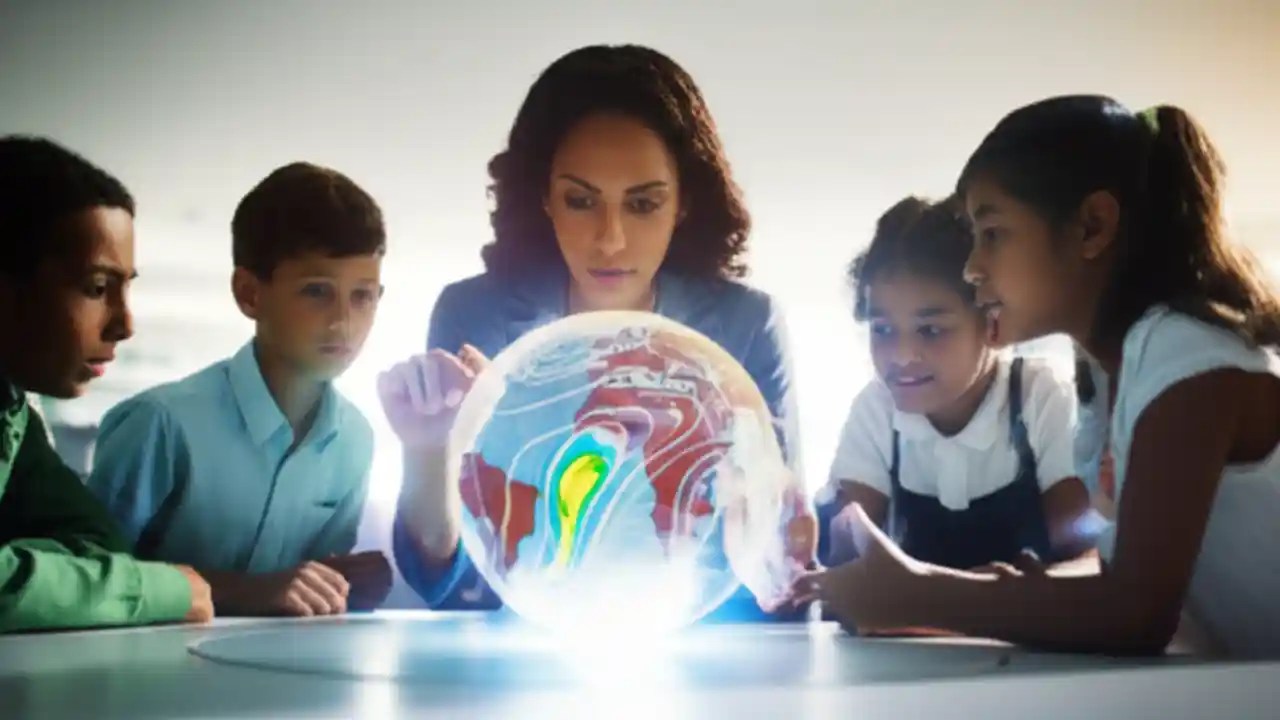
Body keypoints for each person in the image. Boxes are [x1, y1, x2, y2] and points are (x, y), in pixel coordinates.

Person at [806, 95, 1280, 658]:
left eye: (993, 233)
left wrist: (918, 595)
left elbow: (1137, 614)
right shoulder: (1109, 375)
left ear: (1091, 227)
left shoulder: (1185, 356)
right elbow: (1116, 574)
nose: (971, 267)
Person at [379, 44, 811, 620]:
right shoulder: (475, 317)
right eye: (581, 201)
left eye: (643, 204)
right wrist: (426, 452)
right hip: (517, 658)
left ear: (683, 201)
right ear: (544, 198)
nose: (610, 240)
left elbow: (783, 565)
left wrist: (761, 500)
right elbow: (444, 579)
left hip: (706, 651)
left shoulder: (745, 325)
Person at [87, 163, 392, 617]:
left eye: (362, 296)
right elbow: (88, 578)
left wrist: (345, 584)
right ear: (249, 294)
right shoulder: (159, 424)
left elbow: (309, 596)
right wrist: (247, 589)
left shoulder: (356, 440)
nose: (342, 322)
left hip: (278, 681)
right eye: (316, 291)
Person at [0, 135, 212, 632]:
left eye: (125, 288)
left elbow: (101, 544)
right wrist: (158, 589)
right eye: (96, 288)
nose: (124, 324)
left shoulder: (12, 411)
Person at [817, 197, 1093, 571]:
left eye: (930, 330)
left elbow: (1087, 562)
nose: (900, 355)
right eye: (882, 329)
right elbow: (846, 561)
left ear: (991, 320)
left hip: (1030, 629)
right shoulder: (877, 410)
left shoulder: (1042, 399)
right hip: (908, 631)